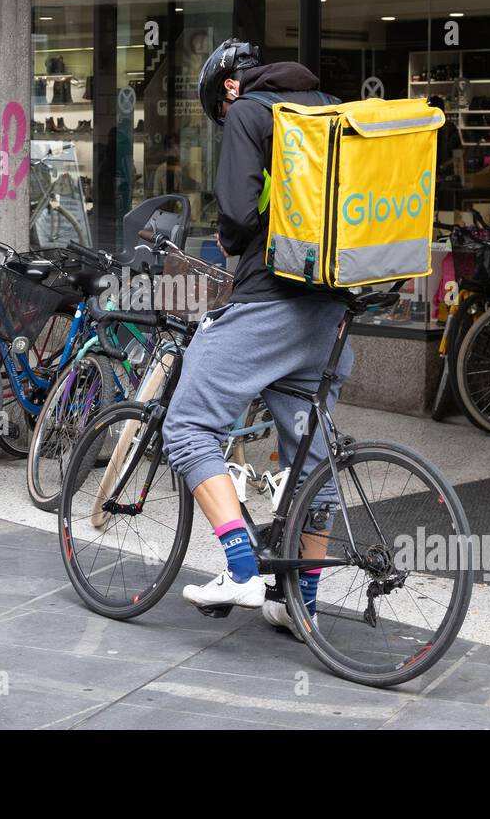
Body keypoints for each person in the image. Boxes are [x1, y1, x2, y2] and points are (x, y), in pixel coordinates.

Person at [161, 38, 354, 639]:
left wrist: (230, 239)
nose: (225, 121)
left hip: (270, 300)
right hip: (332, 310)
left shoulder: (249, 111)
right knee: (308, 458)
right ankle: (301, 606)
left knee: (187, 425)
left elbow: (241, 213)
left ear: (228, 88)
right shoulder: (329, 106)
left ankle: (242, 567)